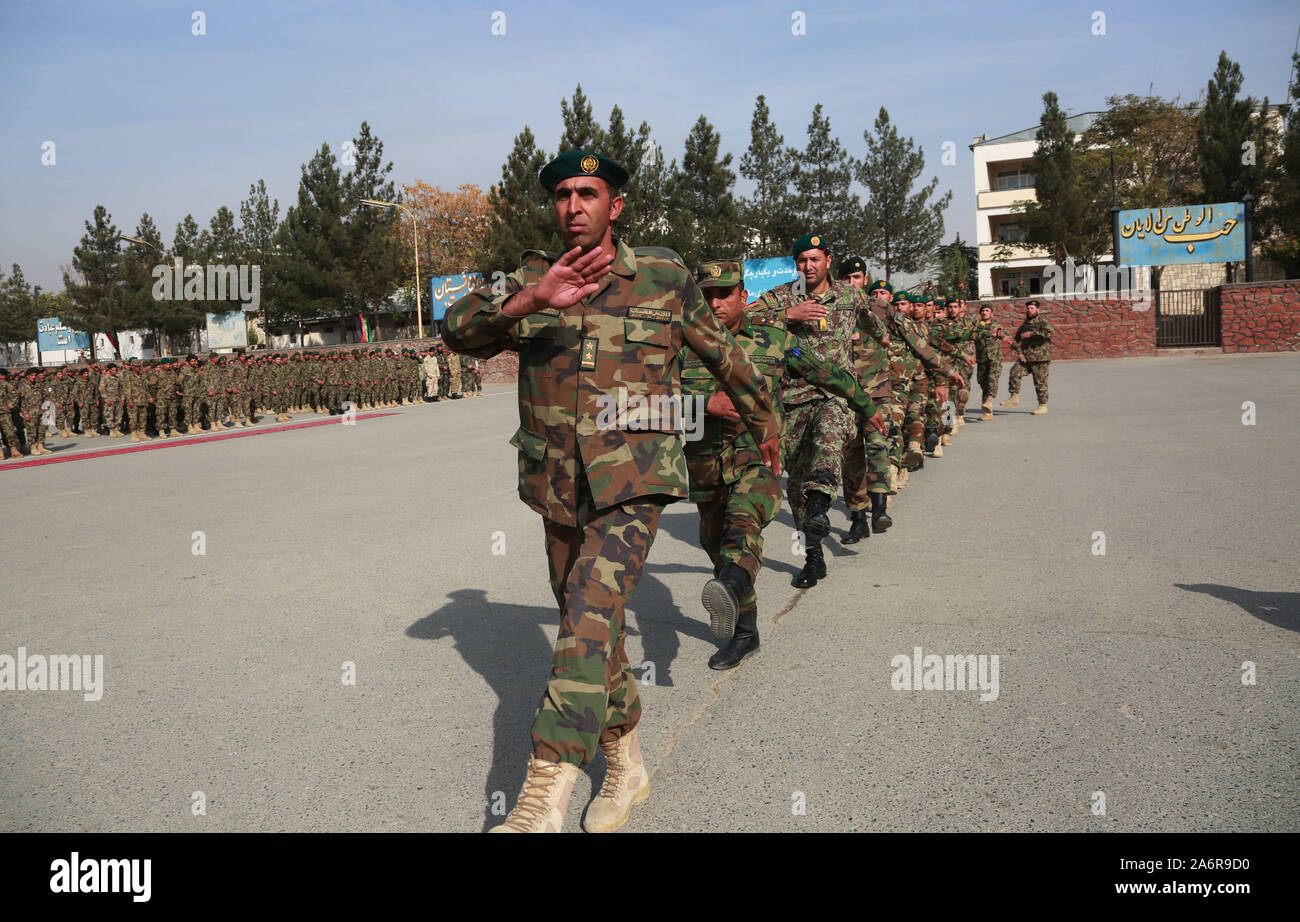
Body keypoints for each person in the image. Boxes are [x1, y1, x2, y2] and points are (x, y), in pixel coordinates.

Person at [442, 149, 779, 834]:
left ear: (615, 205)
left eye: (587, 193)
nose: (573, 206)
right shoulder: (530, 278)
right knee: (591, 630)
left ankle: (542, 795)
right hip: (558, 486)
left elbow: (726, 356)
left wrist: (764, 424)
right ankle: (625, 761)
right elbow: (457, 333)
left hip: (635, 480)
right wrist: (531, 301)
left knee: (589, 614)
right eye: (562, 195)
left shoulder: (664, 277)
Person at [685, 258, 884, 663]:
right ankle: (745, 630)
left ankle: (734, 590)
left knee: (743, 529)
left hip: (757, 462)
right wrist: (703, 406)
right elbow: (647, 405)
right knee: (716, 546)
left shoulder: (775, 340)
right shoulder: (680, 346)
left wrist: (866, 406)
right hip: (703, 467)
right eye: (707, 296)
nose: (716, 303)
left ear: (744, 296)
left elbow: (824, 371)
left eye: (724, 294)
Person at [745, 233, 886, 589]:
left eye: (815, 259)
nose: (808, 266)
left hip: (836, 393)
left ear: (827, 260)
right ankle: (813, 556)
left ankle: (822, 499)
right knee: (795, 485)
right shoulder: (782, 295)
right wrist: (788, 314)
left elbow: (874, 323)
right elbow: (743, 320)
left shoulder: (850, 295)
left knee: (830, 435)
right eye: (802, 260)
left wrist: (878, 337)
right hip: (791, 399)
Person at [836, 256, 893, 543]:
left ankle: (880, 508)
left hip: (878, 393)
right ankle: (858, 519)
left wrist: (943, 369)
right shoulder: (832, 312)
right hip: (846, 398)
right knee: (852, 459)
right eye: (846, 279)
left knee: (879, 446)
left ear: (865, 281)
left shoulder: (881, 309)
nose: (851, 284)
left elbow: (915, 340)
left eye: (856, 278)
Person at [1001, 299, 1053, 414]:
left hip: (1040, 358)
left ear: (1037, 310)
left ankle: (1043, 405)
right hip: (1026, 358)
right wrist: (1008, 340)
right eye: (1028, 308)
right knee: (1014, 371)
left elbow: (1050, 333)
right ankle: (1014, 397)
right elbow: (1016, 340)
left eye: (1032, 308)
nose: (1029, 310)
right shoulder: (1024, 325)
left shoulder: (1042, 322)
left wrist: (1032, 334)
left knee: (1040, 382)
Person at [973, 304, 1004, 420]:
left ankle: (989, 401)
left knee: (992, 379)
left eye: (987, 310)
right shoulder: (976, 327)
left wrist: (1020, 353)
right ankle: (988, 412)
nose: (985, 312)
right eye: (983, 311)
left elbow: (1007, 338)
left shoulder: (996, 326)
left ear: (992, 313)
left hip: (994, 359)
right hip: (981, 360)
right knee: (983, 383)